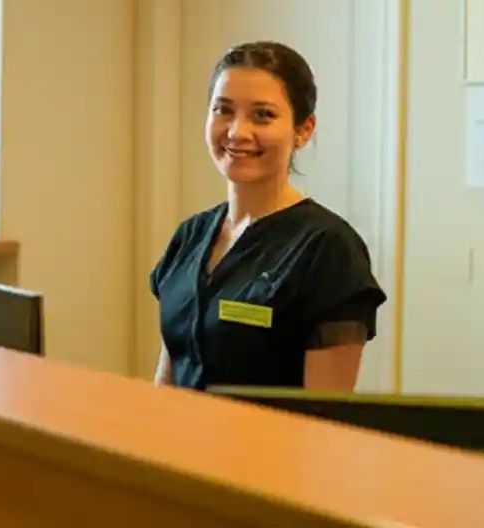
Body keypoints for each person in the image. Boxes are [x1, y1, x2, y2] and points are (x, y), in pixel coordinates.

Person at [151, 41, 386, 392]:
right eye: (223, 110)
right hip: (174, 445)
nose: (237, 131)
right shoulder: (191, 236)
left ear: (303, 130)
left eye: (263, 115)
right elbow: (168, 379)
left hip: (268, 448)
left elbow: (327, 417)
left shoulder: (328, 249)